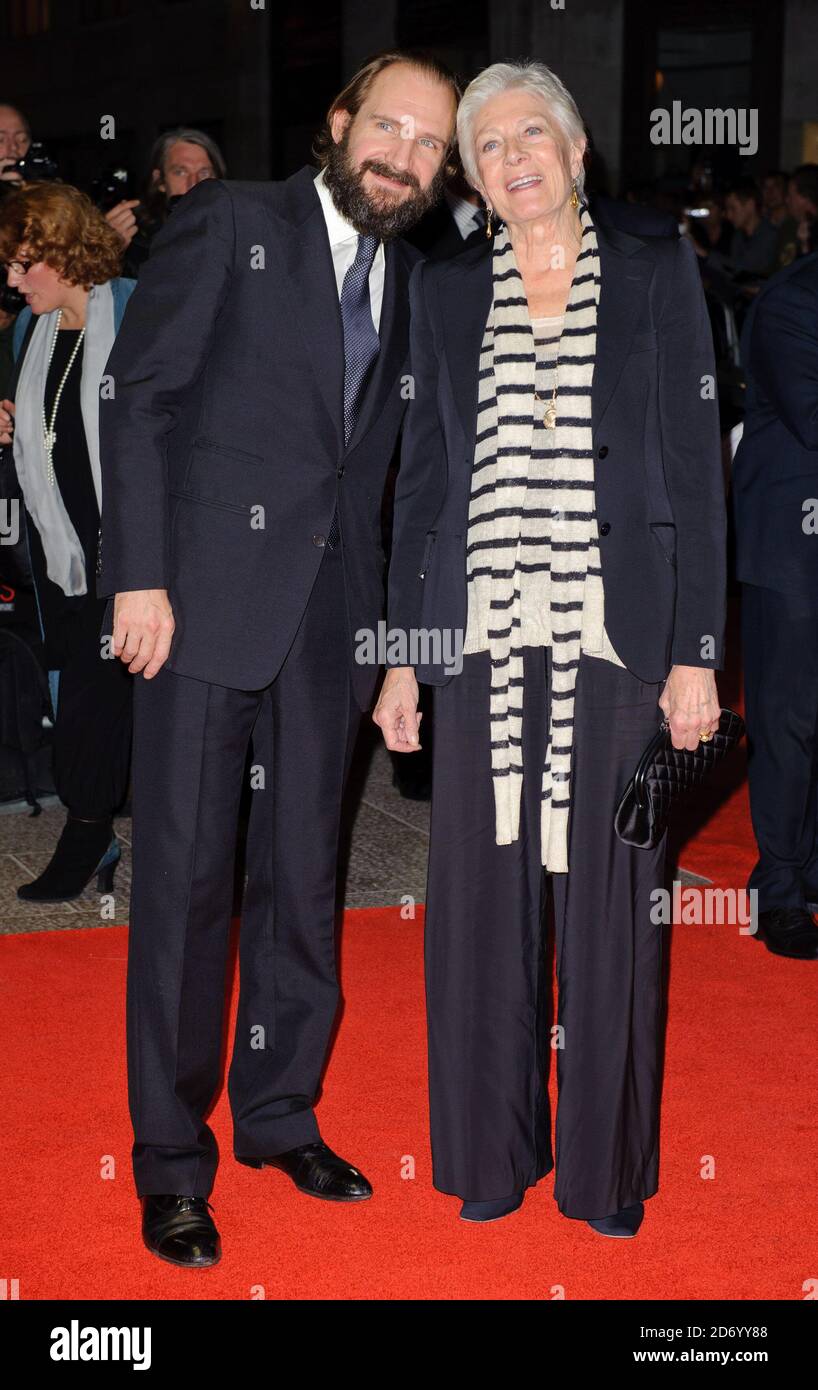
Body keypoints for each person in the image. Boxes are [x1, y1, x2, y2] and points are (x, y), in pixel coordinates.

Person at [98, 48, 459, 1268]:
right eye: (390, 126)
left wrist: (404, 655)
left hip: (336, 633)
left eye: (429, 146)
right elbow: (138, 398)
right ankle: (168, 1161)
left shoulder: (413, 284)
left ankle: (277, 1114)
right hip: (199, 612)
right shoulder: (232, 221)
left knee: (303, 885)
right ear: (340, 119)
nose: (403, 157)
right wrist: (138, 577)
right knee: (188, 890)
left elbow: (408, 491)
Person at [374, 60, 726, 1234]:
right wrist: (400, 654)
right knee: (476, 914)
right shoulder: (440, 286)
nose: (511, 154)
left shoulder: (652, 267)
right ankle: (487, 1155)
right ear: (470, 176)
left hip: (618, 645)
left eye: (532, 132)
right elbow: (419, 479)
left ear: (576, 153)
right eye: (486, 144)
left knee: (615, 920)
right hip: (479, 642)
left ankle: (602, 1174)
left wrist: (695, 650)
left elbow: (690, 465)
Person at [0, 181, 134, 899]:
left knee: (152, 706)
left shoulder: (141, 309)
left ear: (64, 253)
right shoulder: (31, 331)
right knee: (87, 698)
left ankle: (165, 841)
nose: (15, 281)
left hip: (140, 548)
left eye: (26, 265)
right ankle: (91, 832)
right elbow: (42, 428)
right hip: (67, 557)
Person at [732, 248, 818, 961]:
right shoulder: (794, 302)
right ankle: (778, 893)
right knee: (788, 720)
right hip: (792, 545)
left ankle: (810, 872)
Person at [105, 127, 227, 279]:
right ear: (160, 181)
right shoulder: (139, 240)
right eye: (180, 172)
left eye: (204, 173)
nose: (194, 184)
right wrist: (106, 254)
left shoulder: (234, 230)